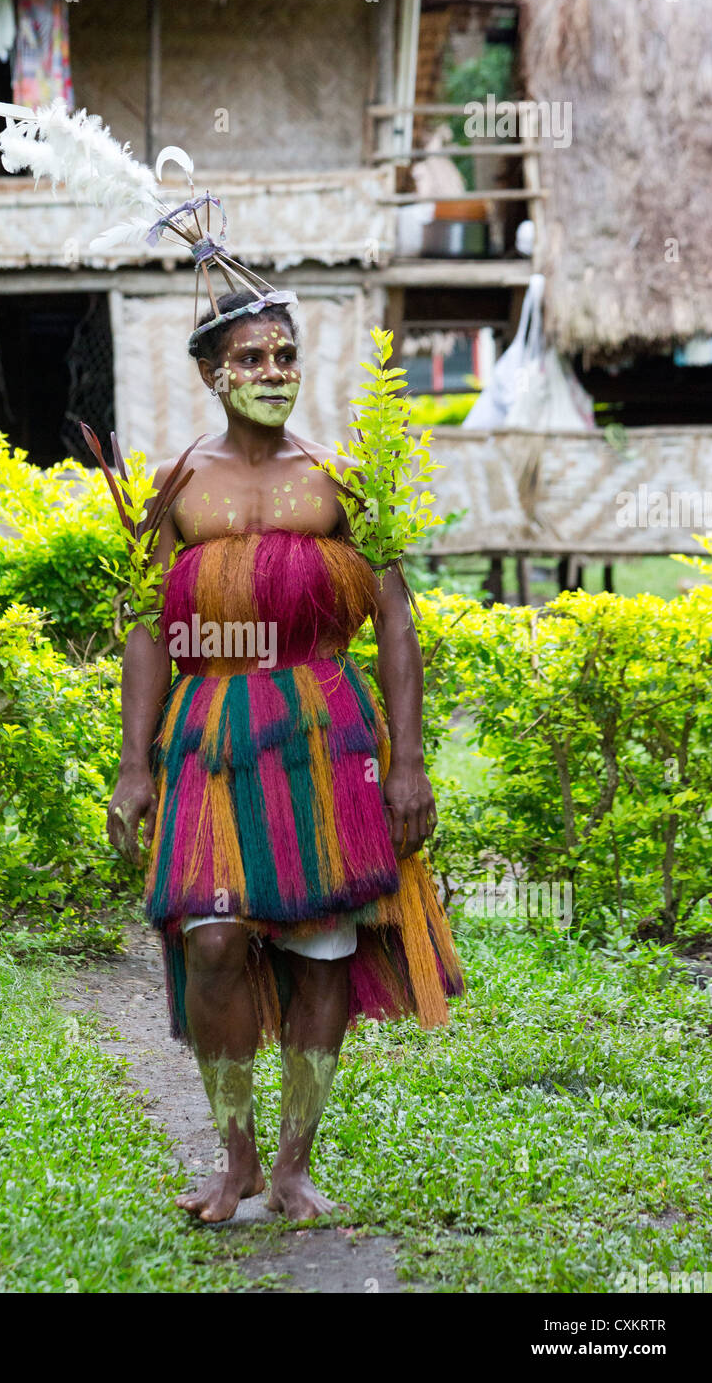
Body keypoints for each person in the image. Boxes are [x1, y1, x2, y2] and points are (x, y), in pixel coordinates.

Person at [106, 290, 463, 1224]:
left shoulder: (339, 482)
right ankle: (236, 1162)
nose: (273, 373)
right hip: (212, 726)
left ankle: (296, 1166)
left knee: (321, 944)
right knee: (212, 937)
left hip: (322, 725)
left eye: (284, 356)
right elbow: (146, 627)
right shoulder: (179, 486)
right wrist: (133, 765)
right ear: (211, 373)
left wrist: (410, 760)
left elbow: (393, 621)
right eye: (252, 358)